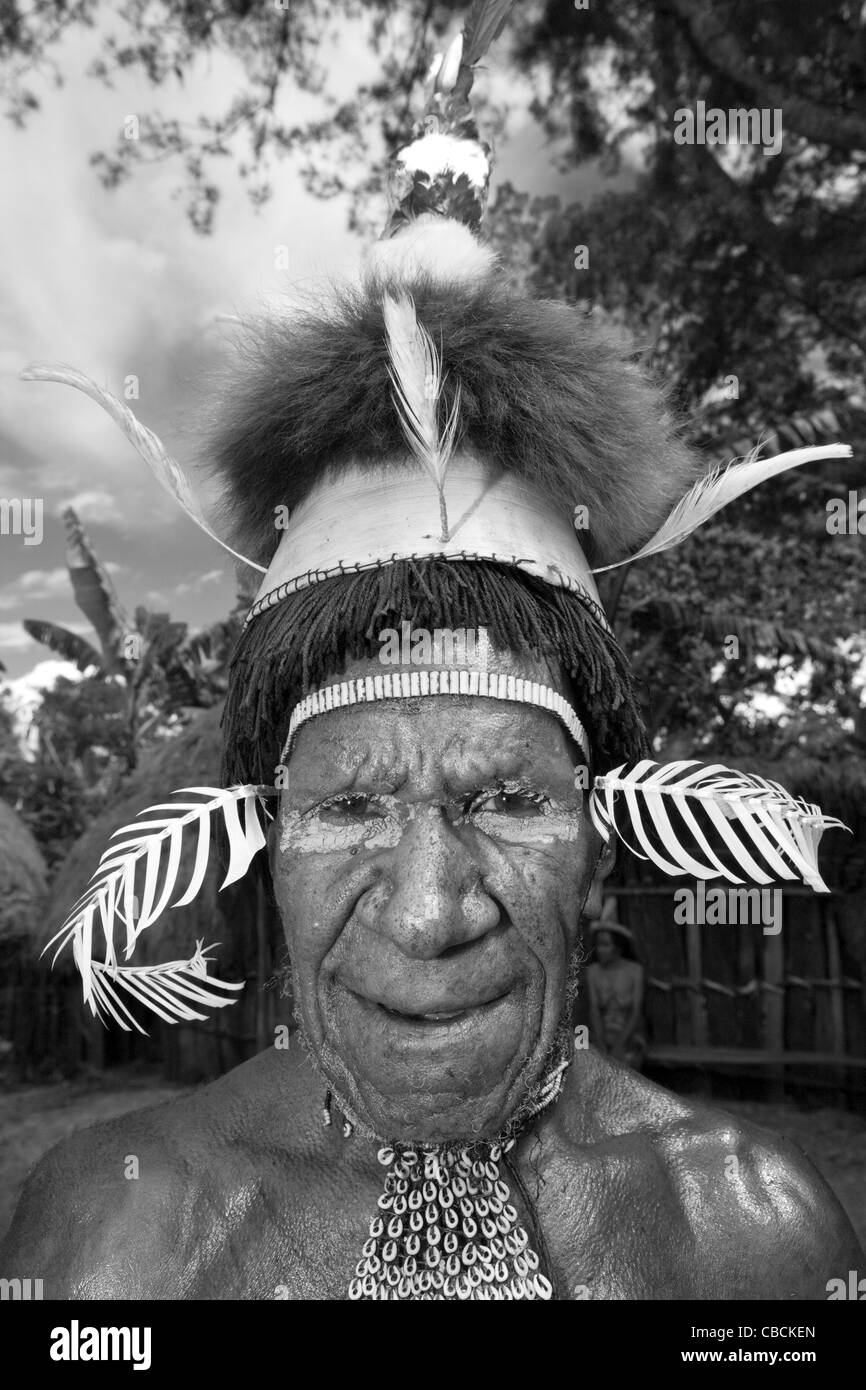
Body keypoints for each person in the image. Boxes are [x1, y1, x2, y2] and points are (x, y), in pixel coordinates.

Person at [2, 1, 861, 1300]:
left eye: (510, 798)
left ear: (603, 844)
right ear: (260, 834)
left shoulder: (759, 1238)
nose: (426, 909)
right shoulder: (107, 1244)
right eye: (347, 804)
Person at [586, 922, 646, 1070]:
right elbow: (594, 1010)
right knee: (591, 1058)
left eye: (606, 945)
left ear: (618, 948)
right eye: (599, 945)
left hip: (630, 1032)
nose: (600, 950)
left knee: (624, 1062)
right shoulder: (592, 971)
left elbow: (636, 1012)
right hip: (601, 1031)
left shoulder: (635, 971)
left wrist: (620, 1043)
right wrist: (600, 1042)